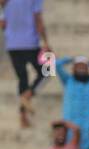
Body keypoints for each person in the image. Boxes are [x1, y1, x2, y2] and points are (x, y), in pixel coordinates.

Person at [4, 0, 51, 128]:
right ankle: (28, 94)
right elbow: (38, 19)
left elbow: (3, 22)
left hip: (12, 44)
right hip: (30, 42)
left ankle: (23, 117)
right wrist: (46, 42)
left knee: (22, 78)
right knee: (48, 71)